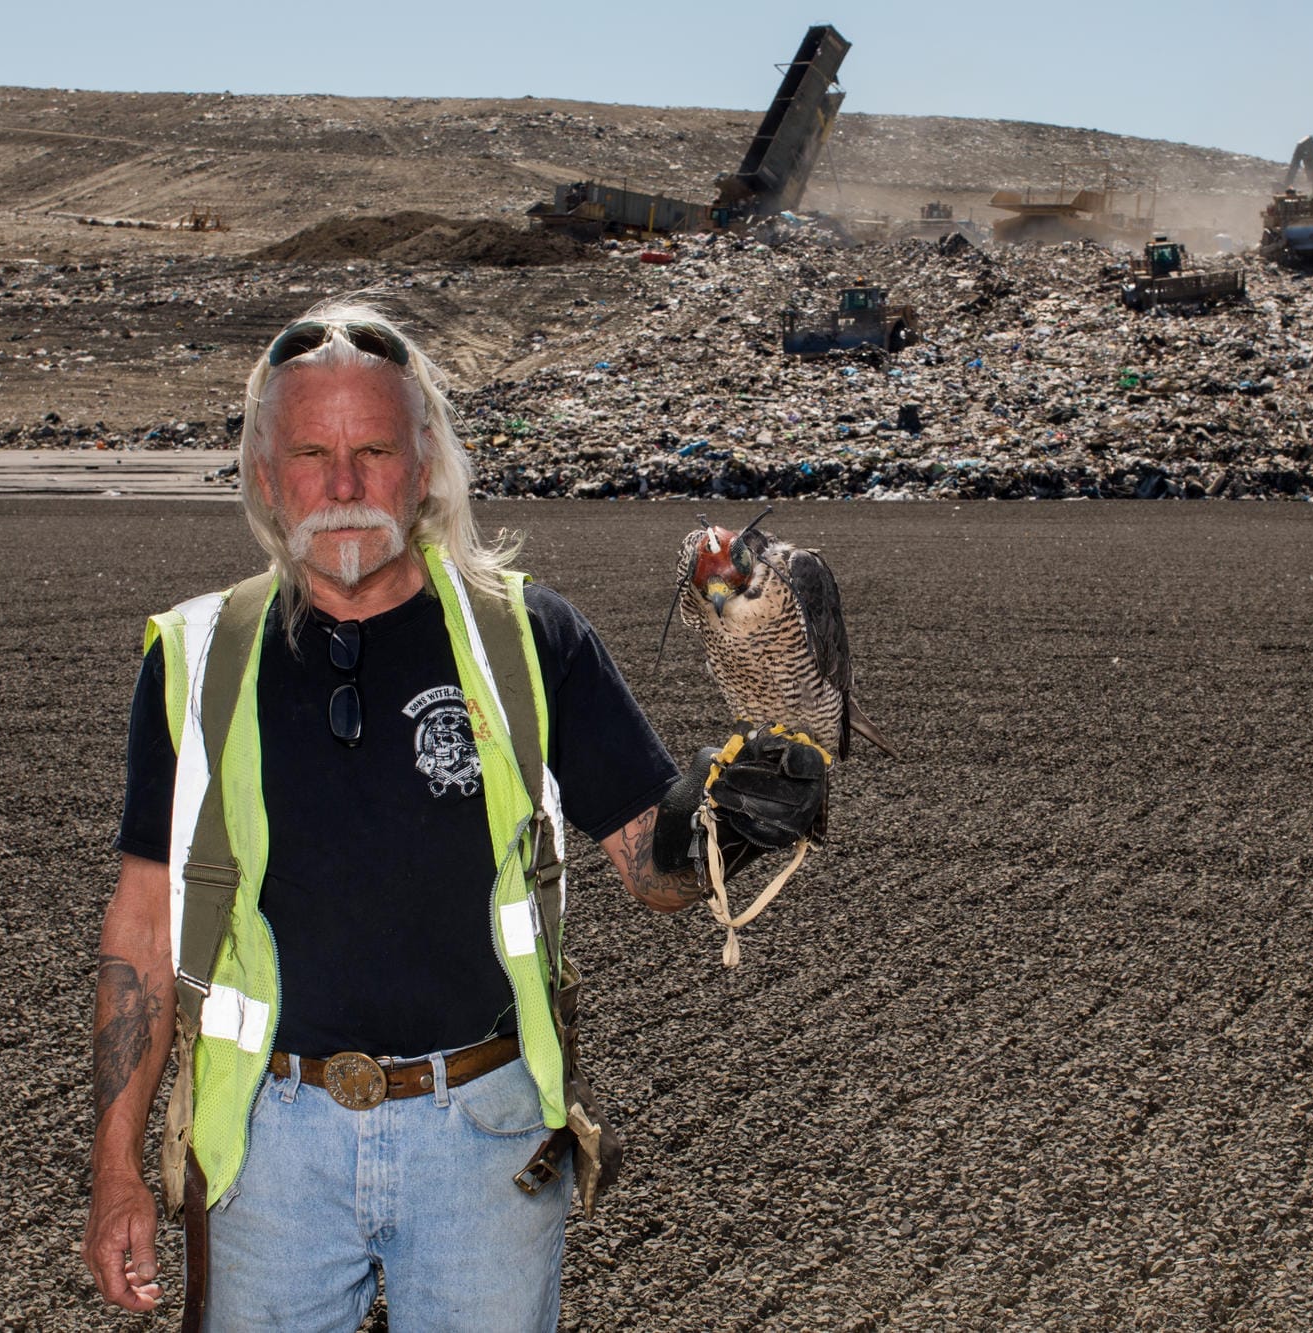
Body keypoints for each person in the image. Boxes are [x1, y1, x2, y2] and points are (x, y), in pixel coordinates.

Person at [81, 299, 828, 1331]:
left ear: (425, 464)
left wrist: (736, 819)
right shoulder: (196, 656)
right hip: (264, 1146)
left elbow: (652, 876)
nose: (343, 486)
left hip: (484, 1138)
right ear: (262, 474)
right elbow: (143, 922)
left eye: (374, 449)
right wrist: (116, 1166)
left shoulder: (530, 638)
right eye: (311, 452)